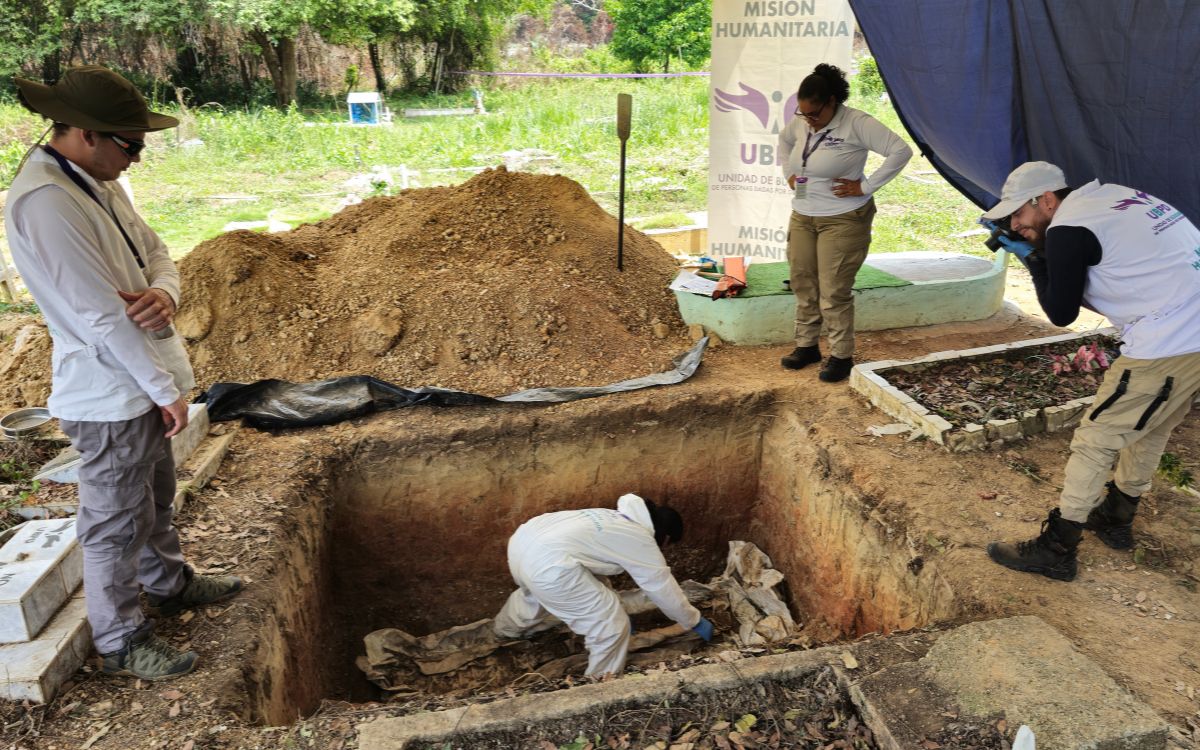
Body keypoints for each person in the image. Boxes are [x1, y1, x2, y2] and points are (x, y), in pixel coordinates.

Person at [4, 66, 244, 680]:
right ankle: (121, 640)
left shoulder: (93, 179)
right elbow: (100, 316)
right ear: (85, 133)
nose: (137, 156)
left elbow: (155, 252)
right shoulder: (47, 202)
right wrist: (165, 391)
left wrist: (165, 292)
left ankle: (168, 584)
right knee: (114, 521)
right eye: (131, 145)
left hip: (141, 379)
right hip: (110, 392)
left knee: (155, 497)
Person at [984, 161, 1200, 581]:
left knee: (1096, 438)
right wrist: (1041, 250)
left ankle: (1058, 548)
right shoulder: (1110, 197)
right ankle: (1116, 517)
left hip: (1171, 339)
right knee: (1150, 427)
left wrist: (1035, 261)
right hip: (1192, 329)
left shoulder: (1067, 229)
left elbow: (1061, 312)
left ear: (1046, 199)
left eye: (1019, 214)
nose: (1015, 225)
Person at [777, 63, 912, 382]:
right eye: (803, 114)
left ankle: (841, 355)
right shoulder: (802, 123)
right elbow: (784, 141)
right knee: (802, 281)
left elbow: (900, 151)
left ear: (832, 102)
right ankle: (807, 346)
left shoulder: (856, 123)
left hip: (843, 219)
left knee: (834, 289)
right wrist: (789, 174)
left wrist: (865, 186)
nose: (808, 120)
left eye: (814, 114)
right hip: (803, 214)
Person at [492, 493, 714, 677]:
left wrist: (613, 603)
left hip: (523, 545)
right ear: (665, 538)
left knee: (535, 594)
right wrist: (692, 620)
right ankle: (600, 683)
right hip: (551, 566)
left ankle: (502, 631)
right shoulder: (639, 538)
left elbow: (594, 573)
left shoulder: (611, 517)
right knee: (611, 626)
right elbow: (661, 588)